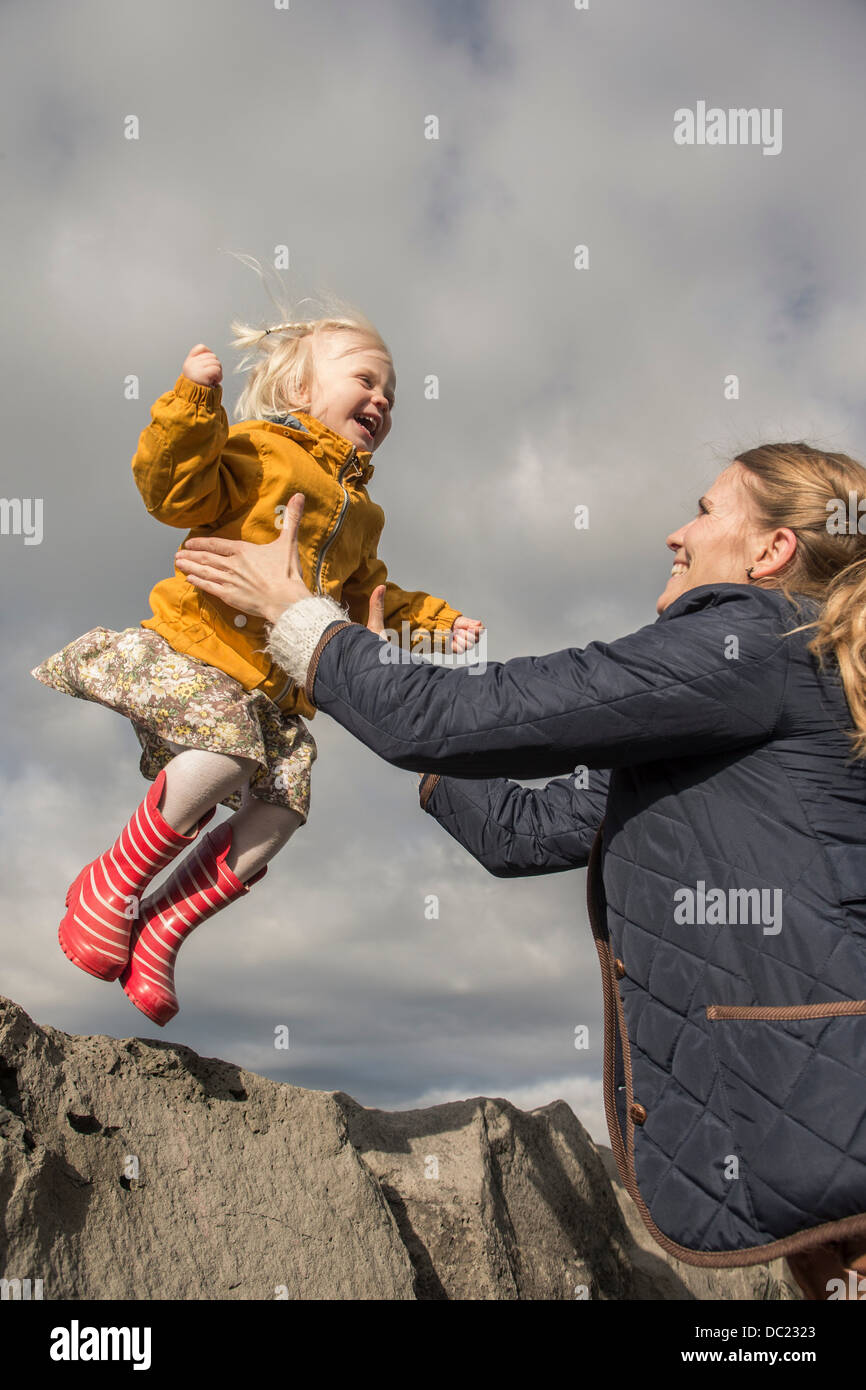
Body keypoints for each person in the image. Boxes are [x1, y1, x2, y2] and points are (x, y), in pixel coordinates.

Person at [172, 442, 866, 1295]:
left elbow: (466, 712)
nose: (676, 533)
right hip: (818, 1139)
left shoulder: (750, 642)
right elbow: (523, 830)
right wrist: (389, 687)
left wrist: (300, 620)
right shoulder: (750, 684)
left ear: (771, 552)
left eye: (707, 510)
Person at [31, 308, 483, 1028]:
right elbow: (174, 491)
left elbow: (372, 596)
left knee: (282, 807)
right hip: (201, 650)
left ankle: (160, 930)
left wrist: (435, 623)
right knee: (225, 752)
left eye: (392, 395)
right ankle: (108, 885)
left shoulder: (362, 515)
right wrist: (191, 403)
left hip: (273, 694)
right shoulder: (259, 449)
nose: (382, 401)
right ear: (299, 389)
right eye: (365, 380)